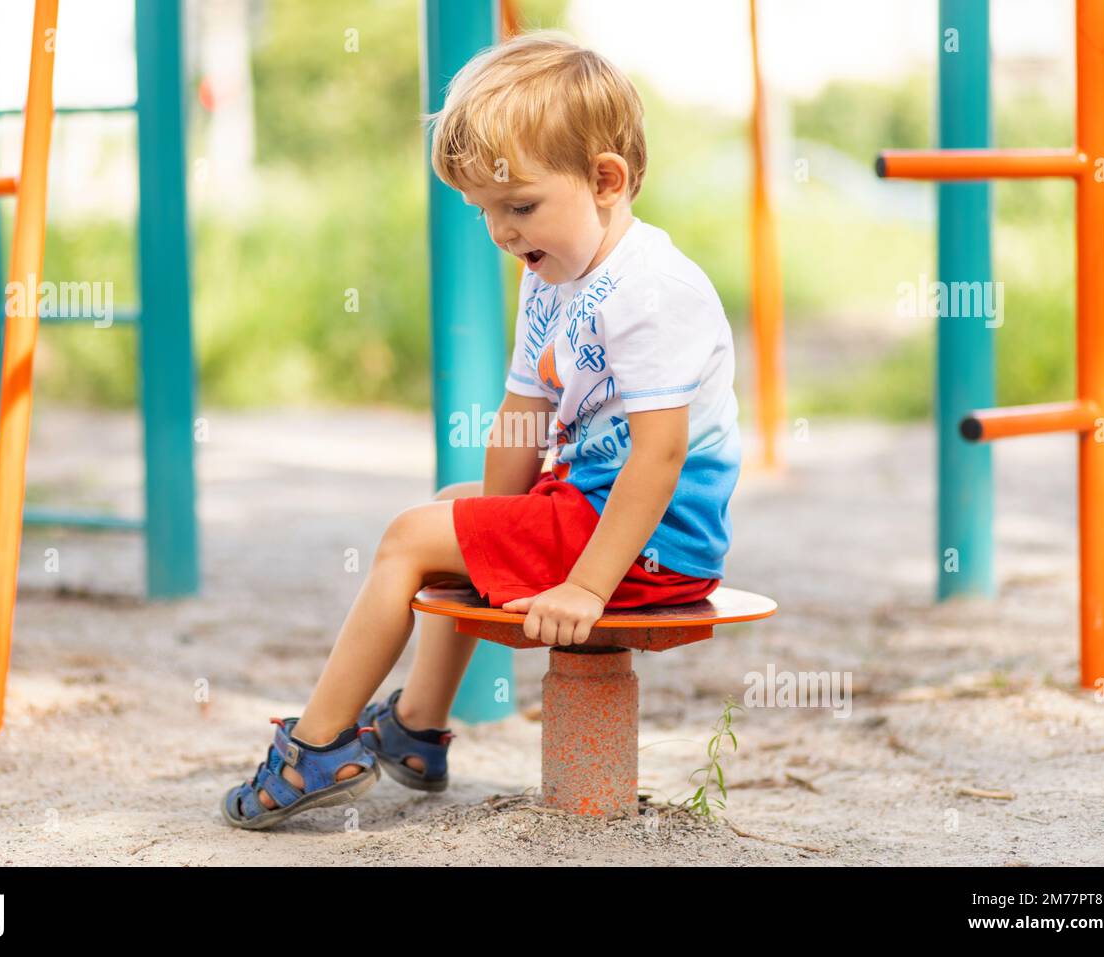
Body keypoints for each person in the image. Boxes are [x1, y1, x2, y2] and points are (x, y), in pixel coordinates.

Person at [222, 31, 742, 829]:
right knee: (451, 506)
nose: (502, 232)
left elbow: (661, 455)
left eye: (519, 205)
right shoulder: (552, 273)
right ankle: (417, 727)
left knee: (406, 537)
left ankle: (319, 744)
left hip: (652, 539)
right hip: (589, 505)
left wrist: (586, 585)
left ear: (606, 179)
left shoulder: (652, 290)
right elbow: (520, 416)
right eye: (485, 213)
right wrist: (489, 521)